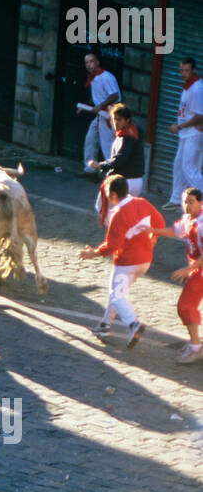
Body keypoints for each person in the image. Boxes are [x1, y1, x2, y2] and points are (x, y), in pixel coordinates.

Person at [79, 175, 163, 347]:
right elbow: (160, 222)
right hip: (144, 261)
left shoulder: (118, 214)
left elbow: (112, 244)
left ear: (114, 194)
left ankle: (133, 324)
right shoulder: (142, 203)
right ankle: (104, 325)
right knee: (118, 293)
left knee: (116, 296)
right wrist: (152, 238)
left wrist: (93, 253)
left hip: (126, 263)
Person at [148, 188, 203, 363]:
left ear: (201, 203)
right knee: (186, 306)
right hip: (197, 270)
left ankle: (196, 348)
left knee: (186, 306)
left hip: (199, 271)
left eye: (191, 202)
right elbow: (175, 231)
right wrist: (152, 230)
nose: (186, 206)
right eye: (185, 202)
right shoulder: (189, 219)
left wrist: (189, 269)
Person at [88, 103, 144, 205]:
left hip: (125, 182)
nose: (115, 122)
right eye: (114, 119)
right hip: (134, 182)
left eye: (119, 120)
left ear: (127, 120)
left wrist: (101, 165)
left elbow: (121, 158)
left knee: (103, 208)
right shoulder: (134, 130)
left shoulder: (127, 137)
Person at [167, 57, 203, 208]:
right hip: (185, 133)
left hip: (193, 133)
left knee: (189, 168)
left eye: (187, 70)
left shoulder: (197, 88)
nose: (183, 73)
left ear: (193, 70)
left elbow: (200, 115)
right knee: (178, 166)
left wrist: (180, 127)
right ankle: (176, 200)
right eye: (181, 70)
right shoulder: (188, 86)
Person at [79, 51, 121, 175]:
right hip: (100, 115)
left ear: (97, 62)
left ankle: (112, 173)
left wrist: (101, 106)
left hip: (108, 114)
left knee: (107, 145)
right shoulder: (93, 78)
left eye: (91, 61)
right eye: (86, 62)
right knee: (90, 139)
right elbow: (97, 97)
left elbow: (114, 95)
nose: (89, 65)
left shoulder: (106, 77)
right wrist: (85, 105)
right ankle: (90, 168)